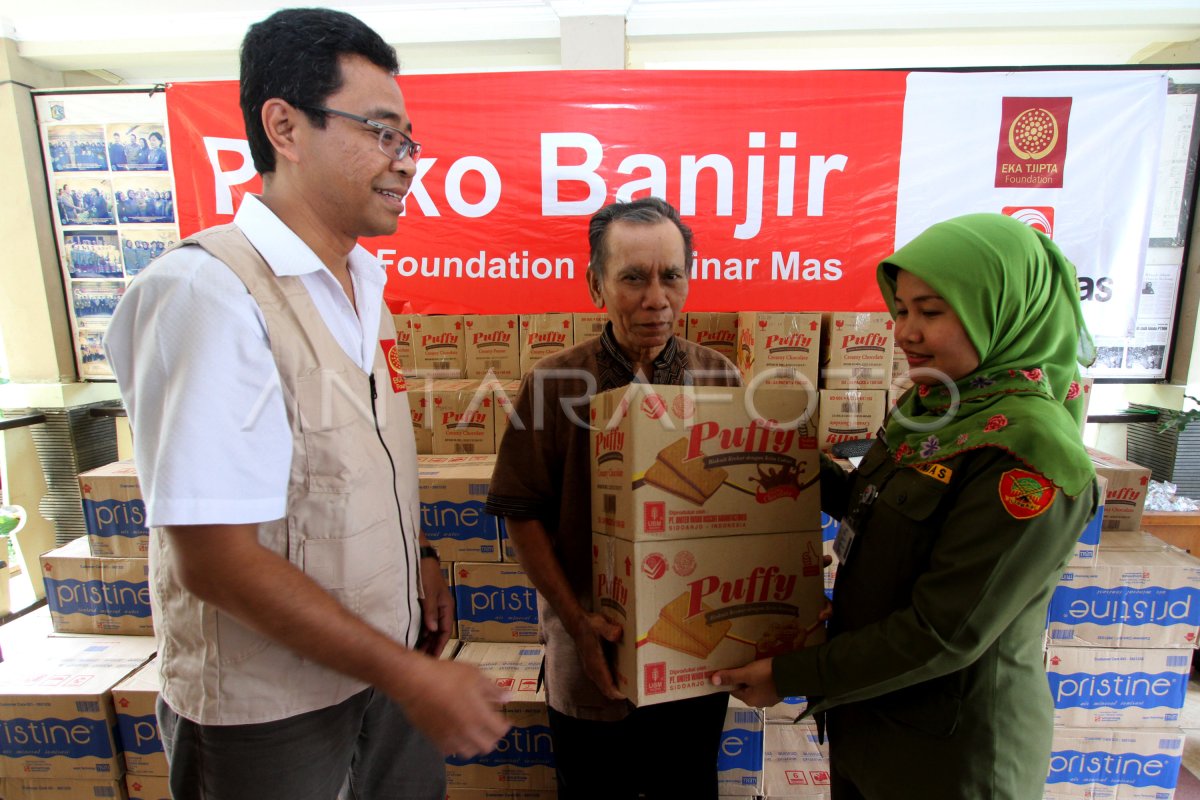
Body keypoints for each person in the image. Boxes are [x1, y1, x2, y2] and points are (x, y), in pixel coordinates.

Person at [104, 8, 509, 800]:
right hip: (269, 708)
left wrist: (417, 557)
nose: (406, 164)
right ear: (284, 127)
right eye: (381, 133)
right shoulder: (209, 293)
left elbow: (355, 460)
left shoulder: (362, 284)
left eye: (409, 142)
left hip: (383, 665)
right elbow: (213, 557)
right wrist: (411, 676)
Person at [712, 213, 1100, 799]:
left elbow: (945, 632)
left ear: (1002, 309)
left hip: (947, 751)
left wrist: (790, 676)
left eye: (932, 312)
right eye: (902, 310)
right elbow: (883, 515)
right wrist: (795, 466)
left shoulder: (1027, 454)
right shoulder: (931, 411)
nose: (905, 332)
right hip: (869, 715)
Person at [486, 196, 742, 800]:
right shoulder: (554, 384)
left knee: (687, 785)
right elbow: (521, 513)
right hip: (589, 650)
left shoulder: (719, 378)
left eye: (671, 276)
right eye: (633, 278)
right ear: (596, 285)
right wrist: (576, 623)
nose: (656, 298)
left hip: (693, 649)